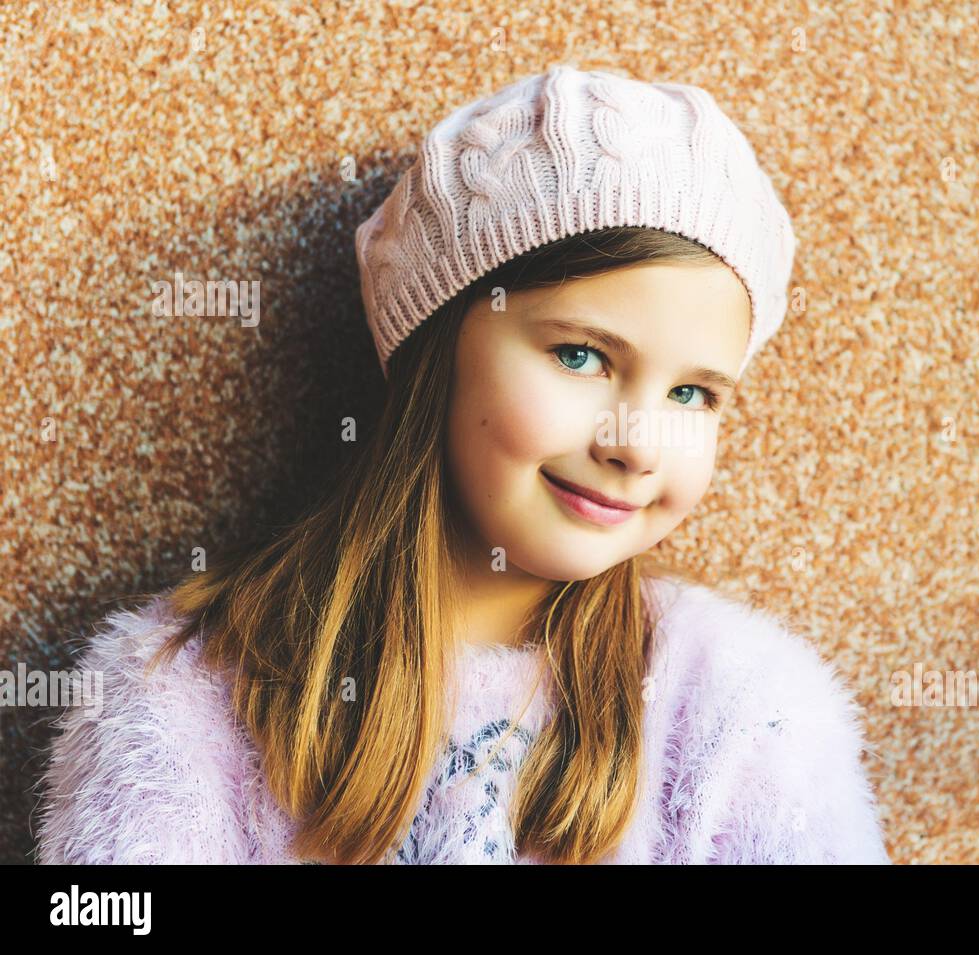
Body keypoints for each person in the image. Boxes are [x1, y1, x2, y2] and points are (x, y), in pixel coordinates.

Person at [33, 65, 891, 865]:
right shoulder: (185, 699)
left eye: (694, 395)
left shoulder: (740, 712)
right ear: (434, 350)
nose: (637, 443)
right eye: (583, 356)